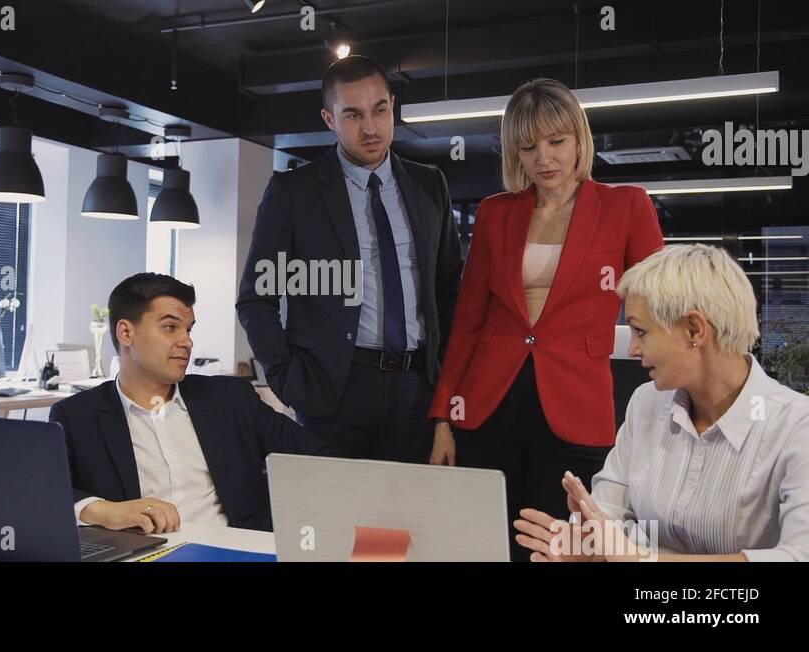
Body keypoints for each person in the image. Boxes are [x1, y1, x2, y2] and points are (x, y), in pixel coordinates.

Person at [427, 78, 664, 560]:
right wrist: (442, 419)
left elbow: (660, 308)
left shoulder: (626, 206)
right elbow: (469, 322)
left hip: (576, 410)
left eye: (557, 142)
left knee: (559, 551)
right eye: (529, 146)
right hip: (488, 408)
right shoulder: (497, 213)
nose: (544, 158)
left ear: (579, 137)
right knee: (485, 549)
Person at [515, 244, 809, 561]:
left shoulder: (795, 426)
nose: (633, 350)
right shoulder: (647, 403)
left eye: (641, 331)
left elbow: (799, 555)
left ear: (694, 330)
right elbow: (610, 517)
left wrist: (644, 559)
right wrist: (588, 547)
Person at [237, 54, 463, 463]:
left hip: (416, 389)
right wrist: (286, 378)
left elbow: (450, 292)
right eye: (353, 115)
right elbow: (257, 298)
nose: (371, 128)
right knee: (336, 522)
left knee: (406, 522)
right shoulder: (293, 192)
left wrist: (444, 395)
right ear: (329, 119)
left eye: (379, 110)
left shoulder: (430, 185)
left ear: (392, 105)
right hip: (333, 390)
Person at [49, 273, 336, 534]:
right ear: (126, 333)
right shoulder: (77, 416)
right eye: (170, 327)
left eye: (188, 329)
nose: (186, 341)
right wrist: (102, 509)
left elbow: (316, 456)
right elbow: (40, 492)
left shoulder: (230, 399)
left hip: (233, 552)